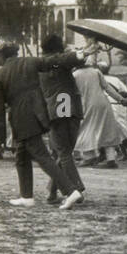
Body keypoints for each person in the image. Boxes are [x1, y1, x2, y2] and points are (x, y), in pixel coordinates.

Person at [0, 42, 82, 208]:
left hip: (20, 118)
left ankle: (71, 191)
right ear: (15, 53)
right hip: (38, 113)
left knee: (42, 156)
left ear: (2, 56)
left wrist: (0, 138)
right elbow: (54, 61)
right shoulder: (30, 62)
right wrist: (77, 56)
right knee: (21, 156)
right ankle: (26, 196)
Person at [37, 34, 86, 203]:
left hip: (57, 108)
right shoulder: (58, 61)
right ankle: (75, 187)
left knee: (62, 153)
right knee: (65, 152)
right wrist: (87, 49)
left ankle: (52, 191)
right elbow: (78, 60)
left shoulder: (42, 64)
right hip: (66, 106)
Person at [73, 56, 126, 168]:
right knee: (107, 130)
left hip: (86, 105)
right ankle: (111, 160)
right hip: (103, 104)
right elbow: (107, 88)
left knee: (85, 129)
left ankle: (89, 157)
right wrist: (121, 99)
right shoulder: (96, 72)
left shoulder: (74, 75)